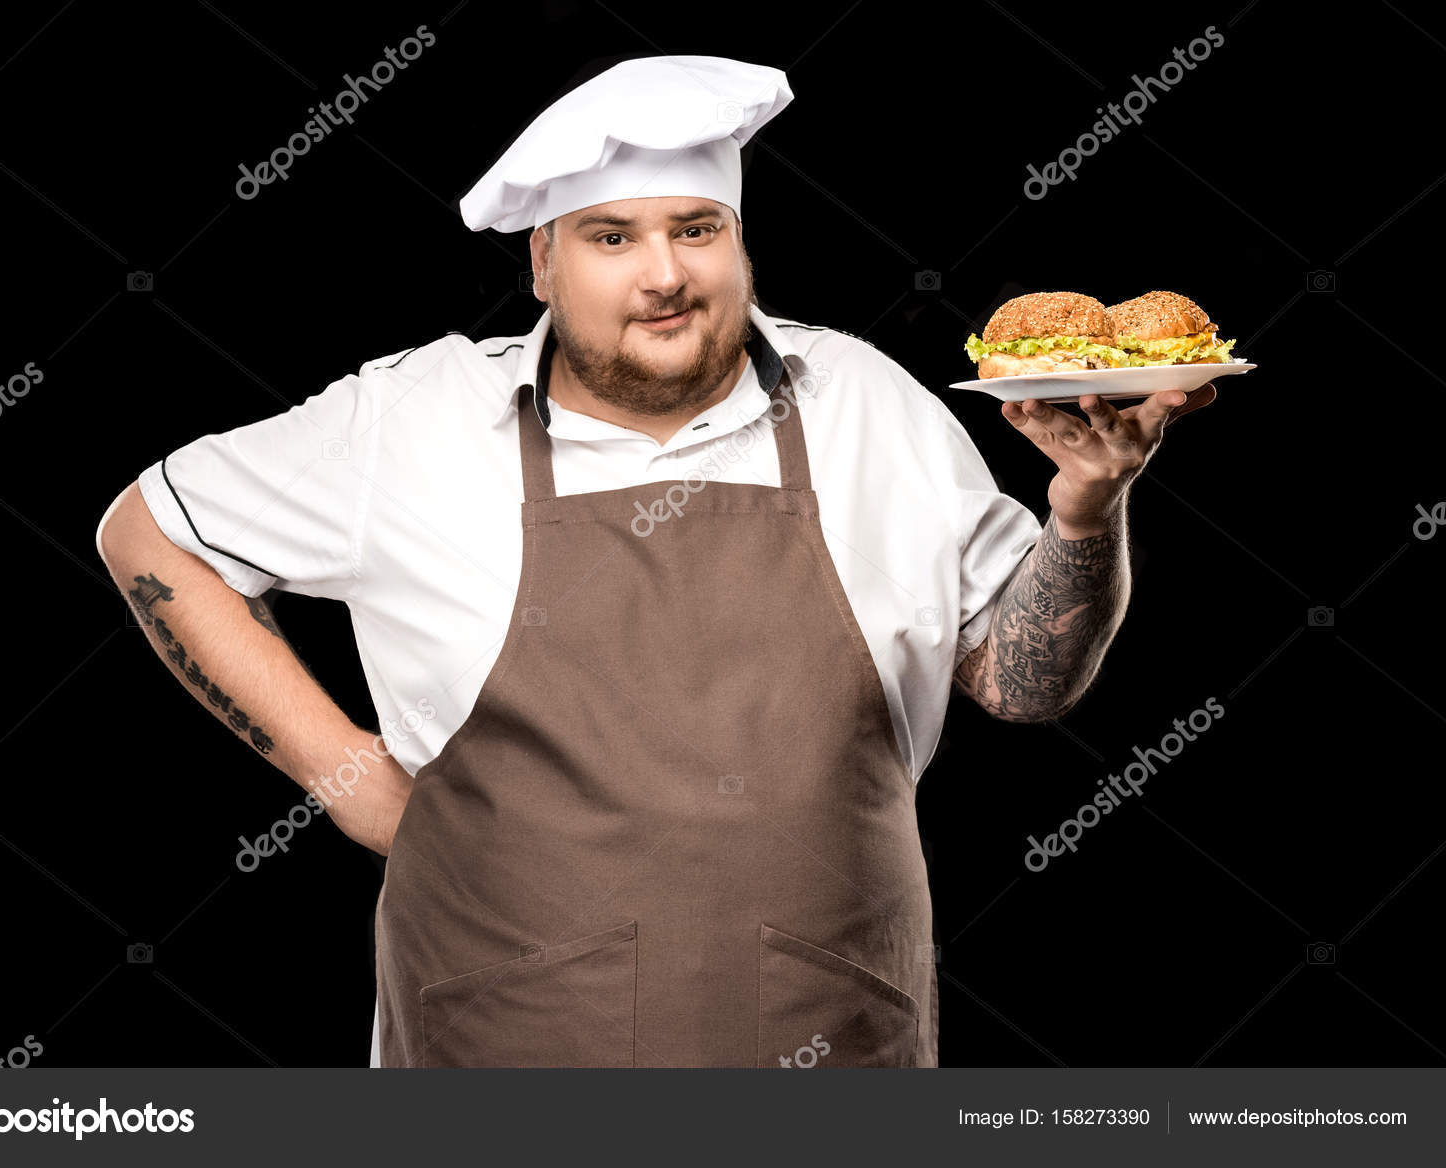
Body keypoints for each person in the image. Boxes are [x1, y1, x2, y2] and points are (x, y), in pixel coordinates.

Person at [95, 54, 1208, 1069]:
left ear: (741, 245)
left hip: (831, 1043)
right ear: (543, 260)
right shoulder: (414, 419)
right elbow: (150, 532)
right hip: (501, 1048)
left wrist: (1082, 509)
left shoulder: (867, 402)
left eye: (695, 228)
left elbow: (1023, 686)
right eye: (612, 237)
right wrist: (341, 775)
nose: (663, 275)